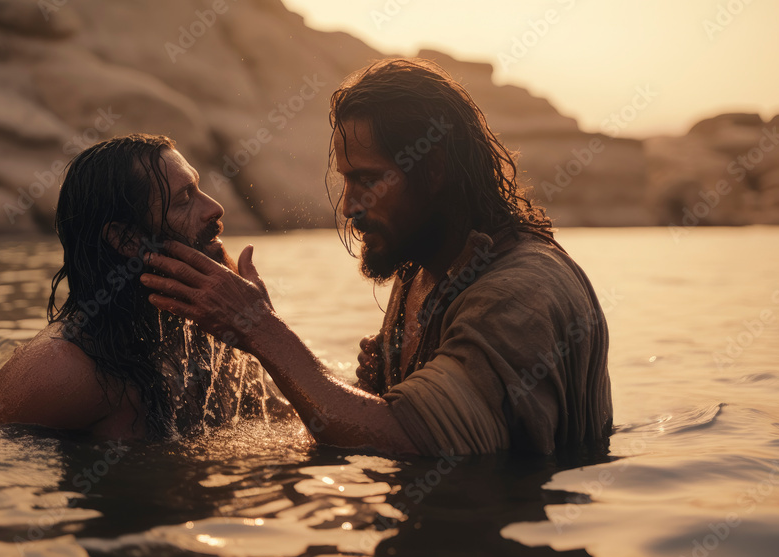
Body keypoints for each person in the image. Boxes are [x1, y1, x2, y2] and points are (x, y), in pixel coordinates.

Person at [139, 59, 612, 456]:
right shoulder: (426, 269)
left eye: (367, 179)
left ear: (433, 169)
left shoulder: (522, 292)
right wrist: (375, 385)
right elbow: (375, 416)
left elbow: (408, 439)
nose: (349, 206)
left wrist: (259, 328)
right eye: (346, 180)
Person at [0, 134, 281, 439]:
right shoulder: (61, 371)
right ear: (126, 238)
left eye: (199, 188)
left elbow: (291, 422)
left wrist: (263, 332)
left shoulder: (207, 327)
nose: (215, 208)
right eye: (186, 198)